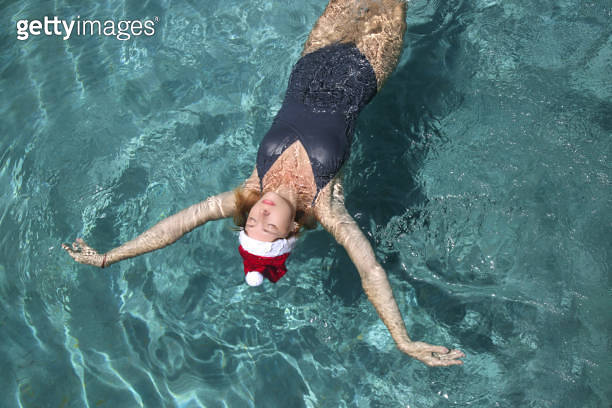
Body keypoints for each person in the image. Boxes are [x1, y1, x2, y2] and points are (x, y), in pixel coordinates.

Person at [63, 0, 464, 367]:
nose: (260, 215)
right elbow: (371, 270)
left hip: (314, 57)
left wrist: (109, 256)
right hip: (366, 66)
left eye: (251, 223)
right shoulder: (327, 204)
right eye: (269, 226)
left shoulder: (252, 187)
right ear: (291, 230)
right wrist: (403, 341)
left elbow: (176, 225)